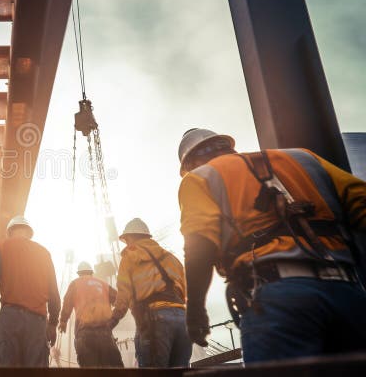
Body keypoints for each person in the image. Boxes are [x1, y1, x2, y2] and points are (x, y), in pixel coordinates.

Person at [177, 128, 366, 363]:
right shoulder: (304, 158)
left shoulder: (199, 178)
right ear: (227, 146)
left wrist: (195, 312)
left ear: (191, 163)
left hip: (277, 297)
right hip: (349, 295)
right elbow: (361, 203)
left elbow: (199, 243)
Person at [109, 218, 191, 368]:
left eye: (127, 240)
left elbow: (123, 297)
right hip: (182, 321)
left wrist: (111, 322)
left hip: (154, 321)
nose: (127, 244)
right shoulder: (171, 258)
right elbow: (186, 292)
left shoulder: (131, 256)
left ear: (131, 237)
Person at [0, 215, 60, 367]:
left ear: (10, 232)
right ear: (29, 233)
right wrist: (52, 324)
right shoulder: (44, 253)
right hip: (37, 322)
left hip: (10, 319)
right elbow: (54, 293)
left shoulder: (2, 247)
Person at [60, 261, 123, 367]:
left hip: (85, 333)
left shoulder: (75, 283)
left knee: (89, 370)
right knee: (115, 370)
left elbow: (67, 302)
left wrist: (63, 321)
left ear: (79, 273)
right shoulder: (103, 284)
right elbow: (121, 301)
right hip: (105, 333)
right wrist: (114, 319)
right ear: (91, 272)